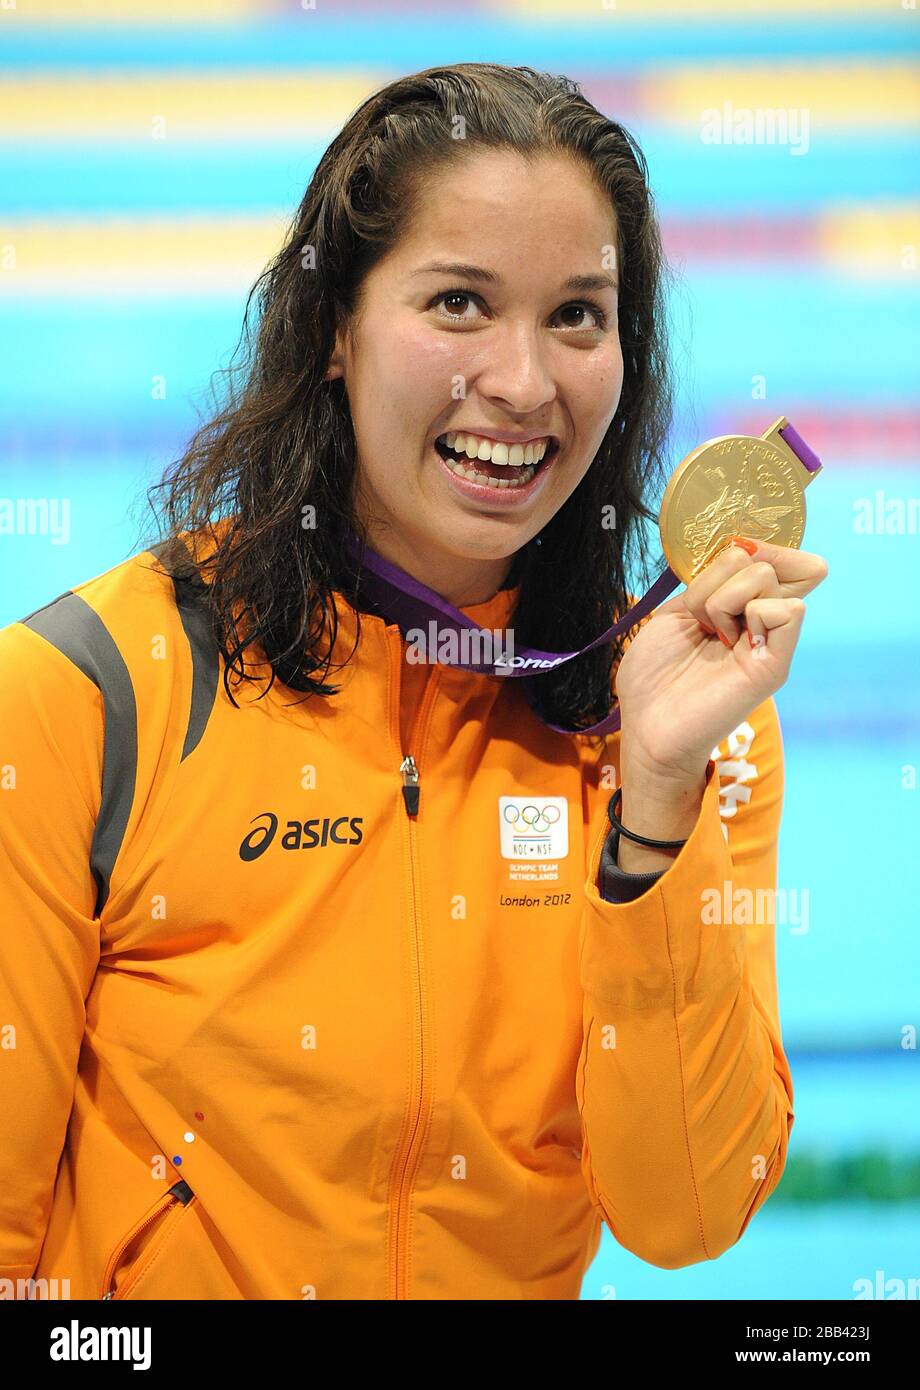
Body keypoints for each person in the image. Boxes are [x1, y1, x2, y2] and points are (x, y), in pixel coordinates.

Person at [0, 63, 827, 1301]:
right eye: (456, 302)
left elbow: (686, 1214)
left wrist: (654, 807)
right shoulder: (92, 690)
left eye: (577, 315)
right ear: (333, 326)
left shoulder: (681, 718)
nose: (521, 382)